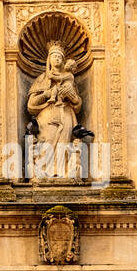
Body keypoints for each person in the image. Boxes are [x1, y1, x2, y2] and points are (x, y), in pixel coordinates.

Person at [26, 44, 82, 176]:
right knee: (46, 144)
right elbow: (31, 105)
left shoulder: (69, 79)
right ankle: (44, 173)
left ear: (63, 61)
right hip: (47, 118)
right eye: (54, 56)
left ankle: (63, 174)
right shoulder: (41, 79)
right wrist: (47, 94)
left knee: (64, 146)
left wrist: (73, 97)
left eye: (60, 57)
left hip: (66, 115)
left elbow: (78, 105)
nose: (57, 59)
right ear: (49, 60)